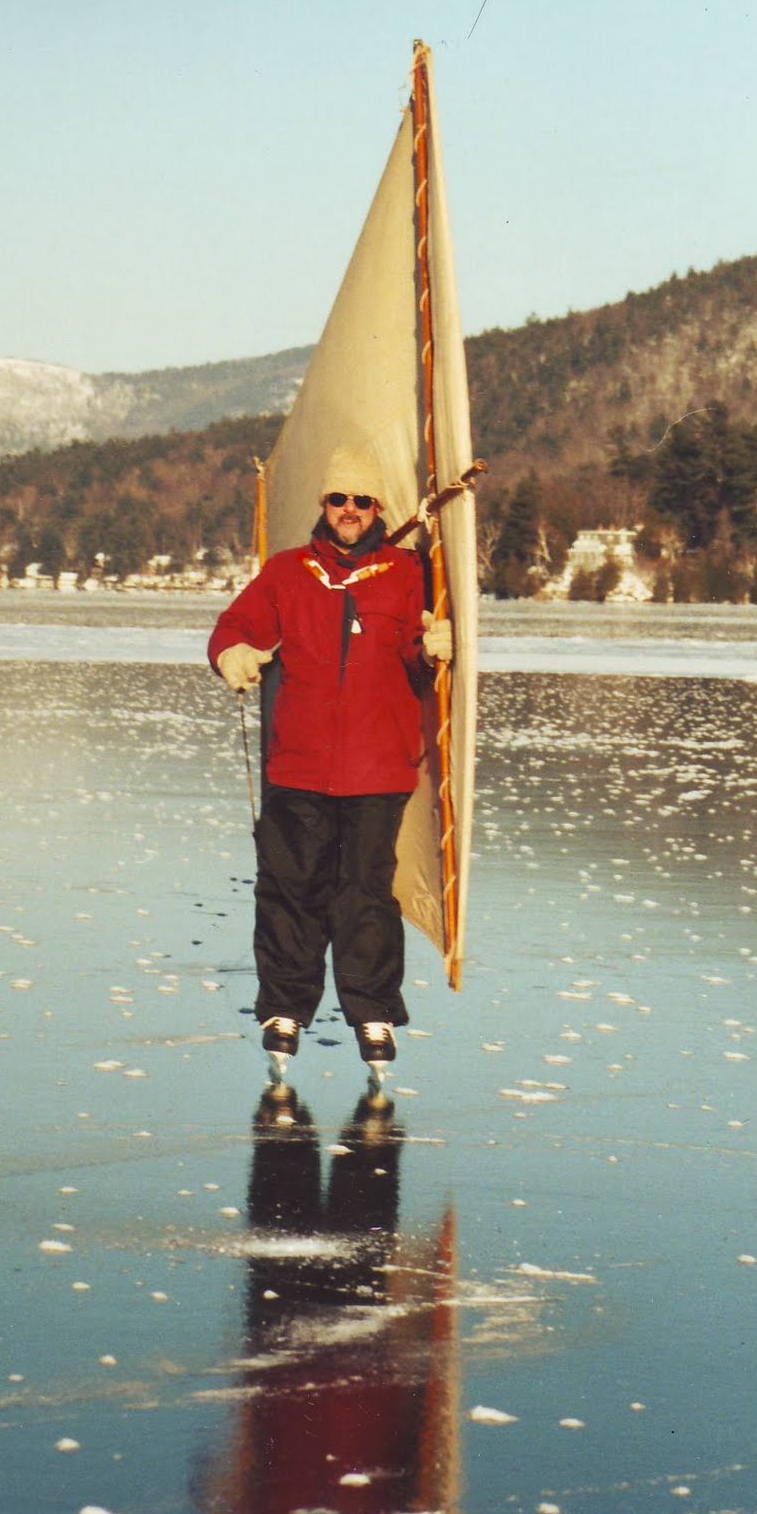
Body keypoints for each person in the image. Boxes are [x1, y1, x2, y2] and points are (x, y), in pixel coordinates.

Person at [208, 446, 452, 1080]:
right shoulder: (289, 572)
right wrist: (232, 652)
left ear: (378, 508)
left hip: (377, 768)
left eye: (362, 500)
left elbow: (416, 654)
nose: (349, 510)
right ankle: (284, 1010)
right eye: (339, 498)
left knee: (366, 895)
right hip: (298, 766)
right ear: (324, 504)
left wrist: (434, 645)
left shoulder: (408, 573)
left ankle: (372, 1011)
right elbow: (235, 624)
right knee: (290, 890)